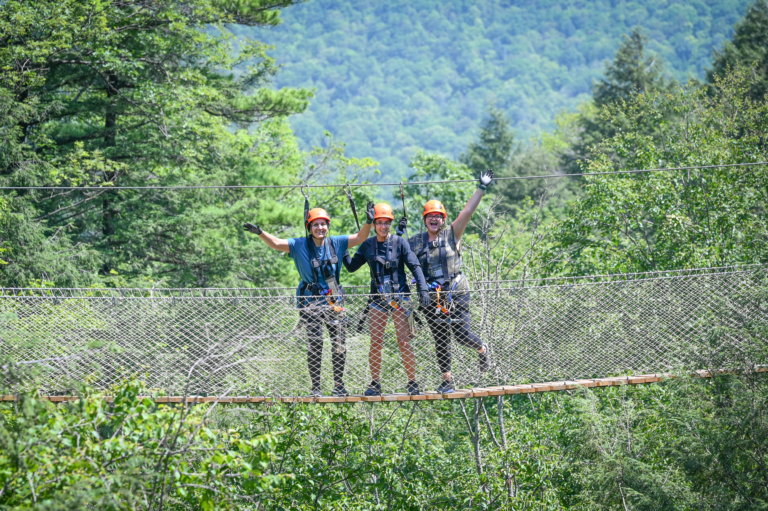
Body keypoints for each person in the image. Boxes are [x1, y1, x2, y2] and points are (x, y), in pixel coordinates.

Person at [244, 203, 374, 397]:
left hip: (333, 299)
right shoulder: (299, 245)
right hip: (311, 300)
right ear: (309, 227)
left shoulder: (336, 243)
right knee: (315, 342)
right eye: (315, 225)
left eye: (323, 224)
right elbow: (276, 243)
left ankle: (338, 385)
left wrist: (369, 221)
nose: (320, 228)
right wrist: (261, 233)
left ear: (328, 226)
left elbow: (360, 237)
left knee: (339, 341)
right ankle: (316, 387)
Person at [405, 170, 494, 394]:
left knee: (462, 334)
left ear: (443, 219)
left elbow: (468, 211)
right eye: (430, 216)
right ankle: (447, 380)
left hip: (456, 291)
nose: (434, 219)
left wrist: (481, 187)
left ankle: (482, 349)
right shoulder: (415, 242)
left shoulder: (452, 234)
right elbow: (396, 253)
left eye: (438, 216)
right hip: (430, 296)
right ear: (425, 219)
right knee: (440, 338)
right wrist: (394, 234)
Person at [346, 203, 431, 396]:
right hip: (378, 299)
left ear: (391, 223)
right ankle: (375, 383)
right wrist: (342, 247)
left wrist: (423, 288)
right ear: (374, 224)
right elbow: (351, 267)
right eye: (380, 223)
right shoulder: (367, 245)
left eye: (387, 223)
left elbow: (414, 265)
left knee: (404, 342)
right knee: (375, 342)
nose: (383, 226)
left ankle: (412, 382)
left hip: (401, 297)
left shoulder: (400, 243)